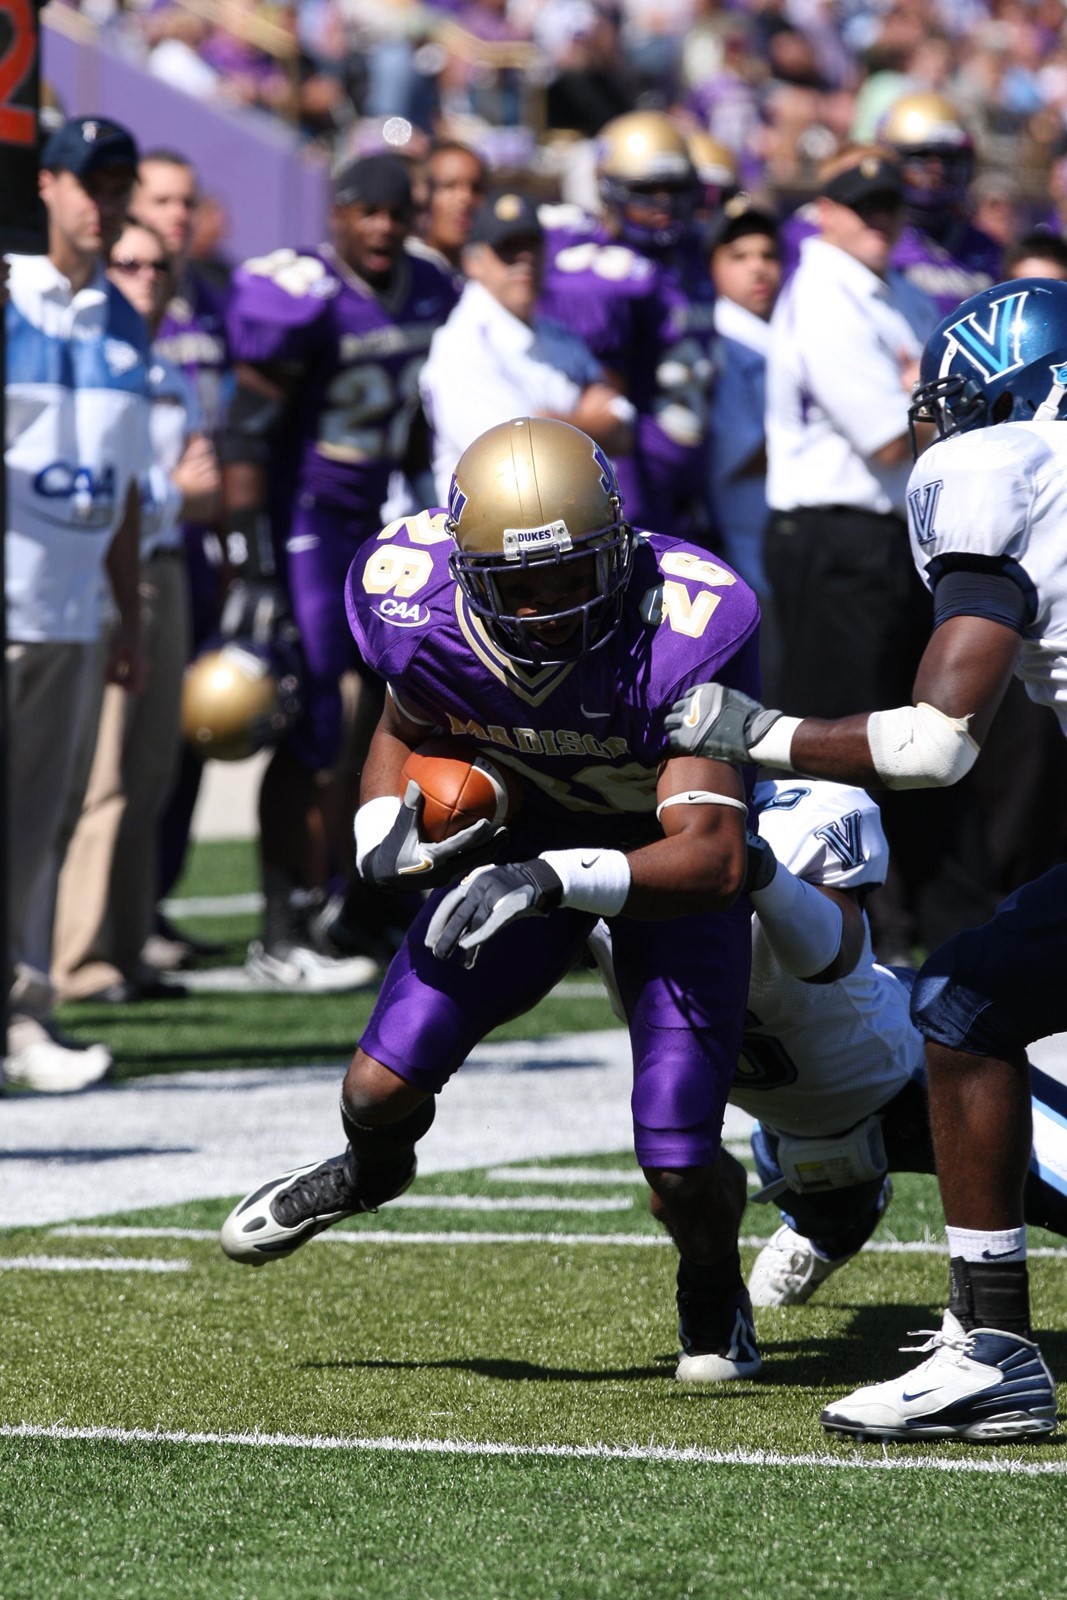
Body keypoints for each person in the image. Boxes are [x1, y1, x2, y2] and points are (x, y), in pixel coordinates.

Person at [221, 416, 768, 1385]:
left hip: (657, 864)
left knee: (678, 1159)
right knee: (374, 1091)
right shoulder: (411, 601)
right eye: (523, 586)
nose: (552, 609)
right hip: (520, 843)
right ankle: (366, 1175)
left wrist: (555, 877)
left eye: (570, 576)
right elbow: (402, 720)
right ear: (467, 573)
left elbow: (715, 858)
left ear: (617, 545)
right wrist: (375, 831)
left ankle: (712, 1283)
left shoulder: (684, 623)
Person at [664, 276, 1067, 1440]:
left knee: (957, 1003)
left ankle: (989, 1349)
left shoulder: (996, 469)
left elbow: (931, 743)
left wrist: (755, 731)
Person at [217, 153, 458, 988]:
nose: (384, 228)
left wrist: (429, 498)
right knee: (313, 717)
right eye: (368, 212)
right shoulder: (301, 294)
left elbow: (417, 416)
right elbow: (244, 433)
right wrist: (251, 560)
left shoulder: (430, 289)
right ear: (338, 215)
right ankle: (277, 928)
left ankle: (353, 901)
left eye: (398, 213)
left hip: (376, 519)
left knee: (397, 709)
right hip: (306, 523)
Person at [4, 117, 151, 1091]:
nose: (101, 201)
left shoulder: (129, 321)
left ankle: (21, 1016)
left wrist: (126, 608)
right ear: (47, 186)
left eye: (115, 184)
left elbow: (126, 481)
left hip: (69, 609)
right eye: (85, 182)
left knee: (34, 827)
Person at [50, 218, 221, 1004]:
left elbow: (202, 480)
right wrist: (172, 496)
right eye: (128, 264)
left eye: (159, 265)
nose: (146, 278)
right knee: (105, 774)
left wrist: (177, 499)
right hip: (113, 568)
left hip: (167, 564)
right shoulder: (94, 358)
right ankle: (78, 958)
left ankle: (130, 942)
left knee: (152, 766)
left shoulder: (163, 366)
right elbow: (98, 479)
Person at [129, 149, 233, 972]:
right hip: (147, 533)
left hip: (202, 542)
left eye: (185, 200)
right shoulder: (117, 307)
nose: (176, 213)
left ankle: (151, 905)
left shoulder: (206, 296)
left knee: (183, 736)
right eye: (160, 198)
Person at [419, 189, 634, 501]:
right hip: (490, 536)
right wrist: (589, 423)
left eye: (532, 245)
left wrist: (546, 423)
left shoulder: (559, 334)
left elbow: (624, 427)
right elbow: (516, 458)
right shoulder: (459, 345)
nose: (525, 259)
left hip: (571, 523)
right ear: (473, 262)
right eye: (507, 249)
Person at [705, 198, 782, 691]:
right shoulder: (719, 337)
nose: (757, 268)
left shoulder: (775, 331)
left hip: (774, 546)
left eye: (768, 254)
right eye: (739, 255)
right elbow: (736, 452)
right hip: (742, 550)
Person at [410, 140, 488, 278]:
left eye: (476, 188)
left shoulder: (487, 279)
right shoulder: (405, 275)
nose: (465, 198)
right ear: (422, 196)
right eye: (449, 186)